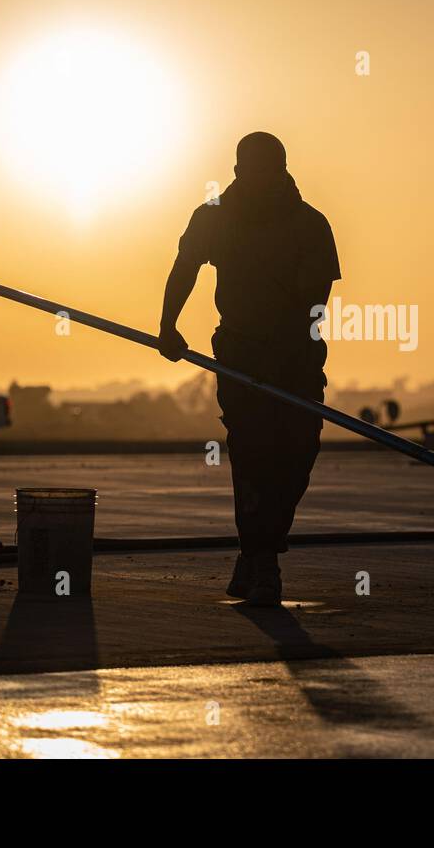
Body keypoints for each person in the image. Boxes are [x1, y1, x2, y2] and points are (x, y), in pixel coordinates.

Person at [157, 132, 341, 606]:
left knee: (298, 454)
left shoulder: (309, 224)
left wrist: (292, 350)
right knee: (253, 456)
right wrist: (168, 325)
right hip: (240, 354)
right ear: (237, 170)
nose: (257, 179)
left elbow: (316, 302)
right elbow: (185, 267)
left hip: (297, 357)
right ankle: (263, 562)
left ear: (282, 170)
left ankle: (257, 550)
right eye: (249, 170)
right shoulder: (214, 217)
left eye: (268, 170)